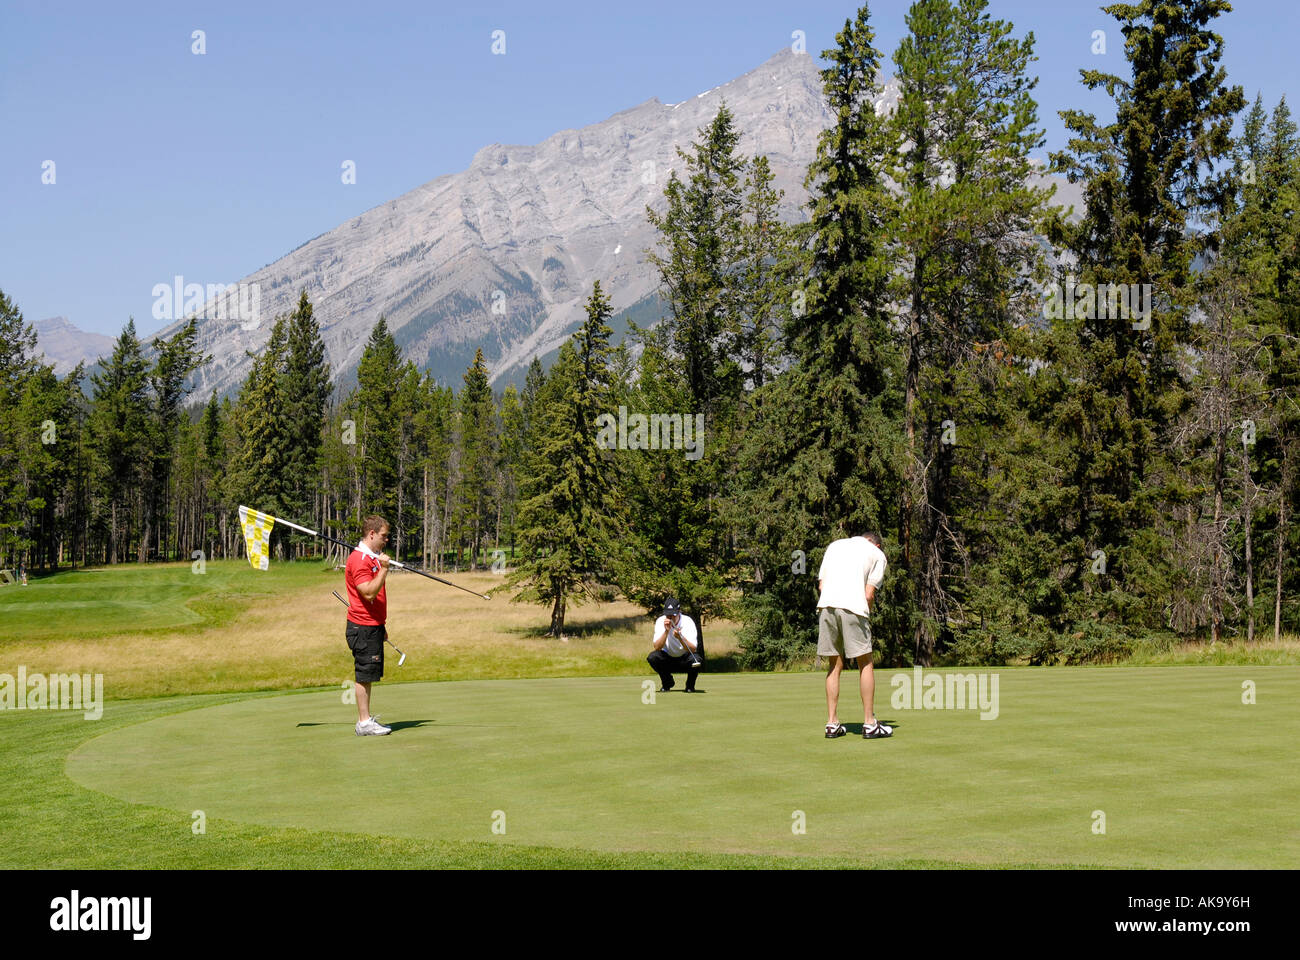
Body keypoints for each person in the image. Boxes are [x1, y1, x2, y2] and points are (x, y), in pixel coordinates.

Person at [817, 531, 891, 740]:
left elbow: (821, 585)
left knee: (834, 664)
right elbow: (869, 593)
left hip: (826, 607)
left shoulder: (834, 546)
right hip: (854, 608)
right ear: (876, 545)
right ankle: (869, 723)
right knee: (865, 663)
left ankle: (832, 723)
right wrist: (866, 613)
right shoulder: (877, 555)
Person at [345, 515, 393, 736]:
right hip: (362, 627)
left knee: (369, 673)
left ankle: (366, 719)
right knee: (364, 674)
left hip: (371, 625)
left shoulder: (370, 557)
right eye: (383, 536)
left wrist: (380, 625)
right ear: (371, 534)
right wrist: (383, 569)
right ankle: (364, 722)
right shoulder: (360, 560)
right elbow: (368, 591)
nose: (386, 540)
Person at [647, 597, 703, 693]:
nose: (670, 618)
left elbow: (693, 649)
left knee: (696, 659)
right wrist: (666, 631)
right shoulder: (660, 621)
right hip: (668, 659)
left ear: (679, 612)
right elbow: (657, 647)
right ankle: (667, 682)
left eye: (673, 615)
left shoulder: (687, 621)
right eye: (668, 615)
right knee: (653, 657)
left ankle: (690, 686)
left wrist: (680, 638)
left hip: (684, 659)